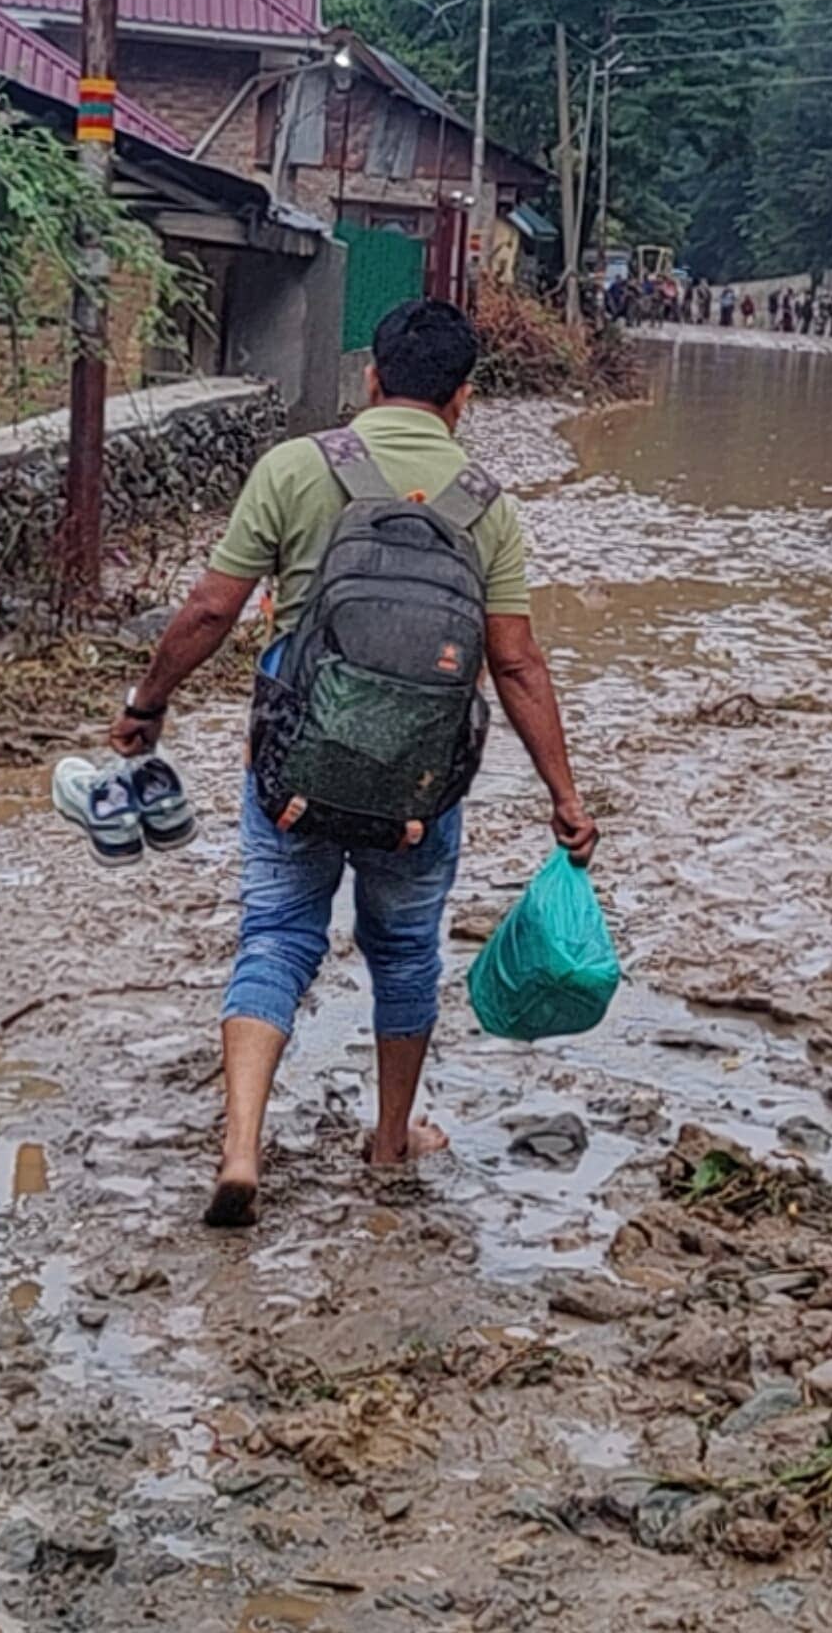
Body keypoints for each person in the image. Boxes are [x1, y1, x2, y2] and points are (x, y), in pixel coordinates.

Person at [109, 298, 596, 1230]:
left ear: (369, 378)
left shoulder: (296, 468)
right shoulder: (485, 505)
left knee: (277, 937)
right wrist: (564, 797)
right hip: (419, 787)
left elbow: (212, 610)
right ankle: (387, 1144)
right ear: (463, 399)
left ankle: (242, 1147)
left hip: (291, 770)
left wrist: (148, 705)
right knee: (406, 950)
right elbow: (517, 662)